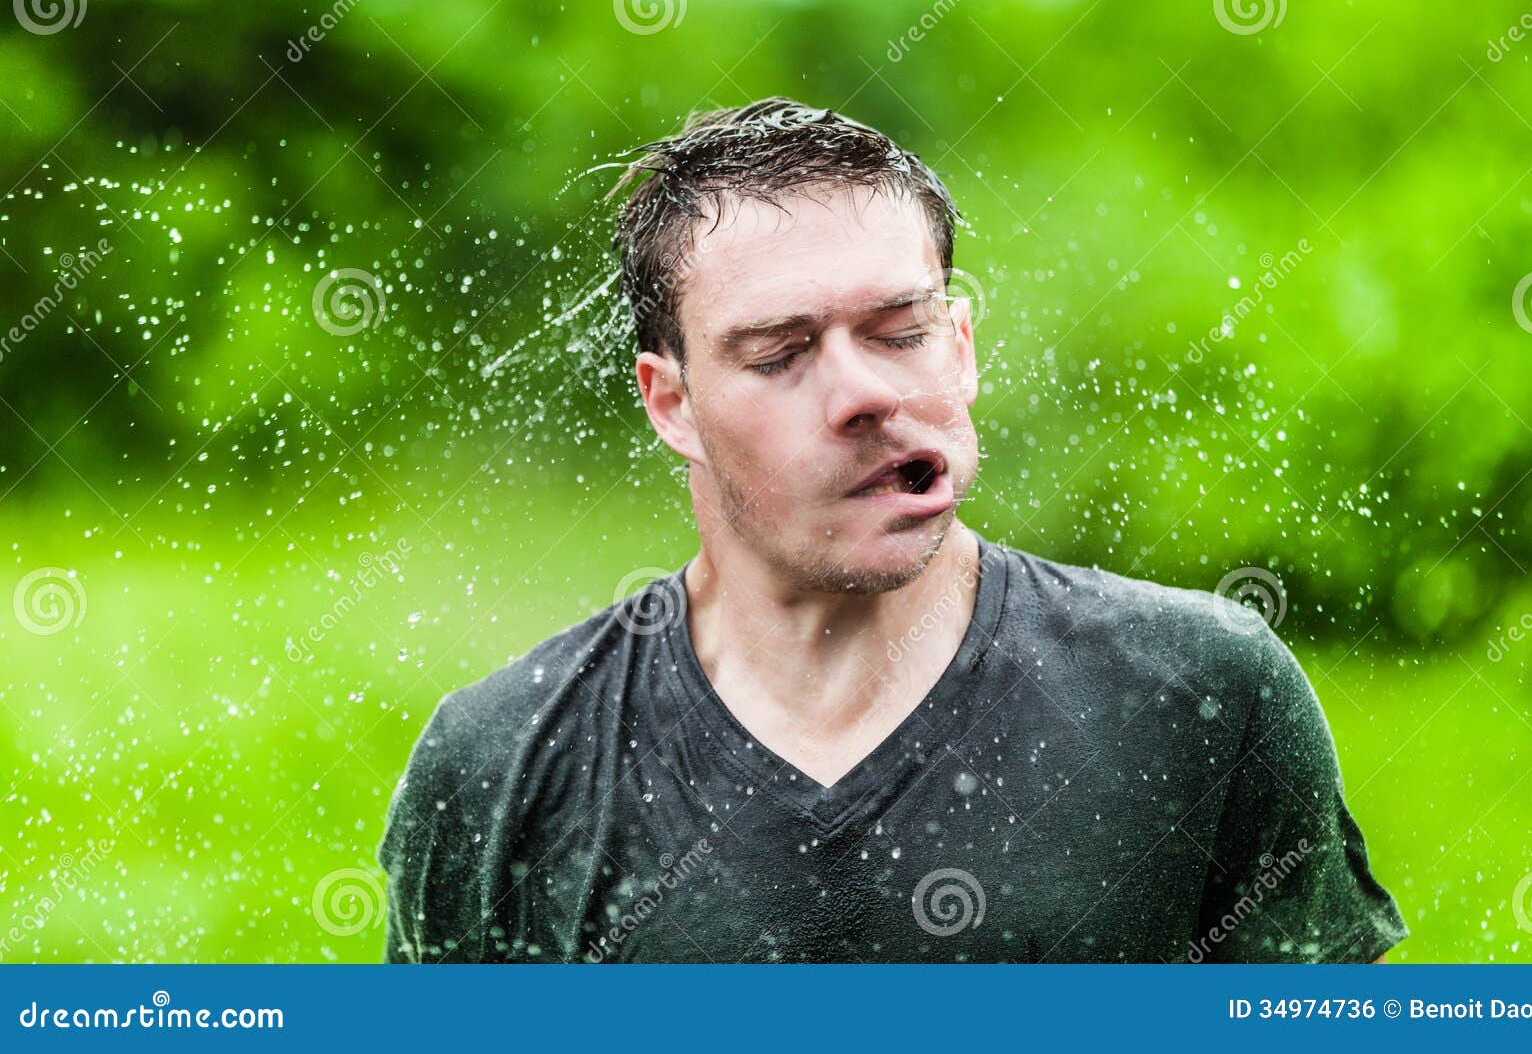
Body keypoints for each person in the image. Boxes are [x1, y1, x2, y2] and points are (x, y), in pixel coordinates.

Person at [378, 97, 1408, 963]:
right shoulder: (504, 758)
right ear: (671, 403)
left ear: (957, 348)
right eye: (780, 352)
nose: (863, 392)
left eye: (900, 331)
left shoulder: (1203, 691)